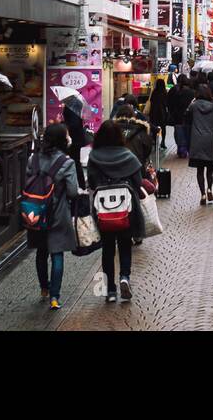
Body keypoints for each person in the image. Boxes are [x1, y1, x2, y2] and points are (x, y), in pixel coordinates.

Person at [87, 120, 144, 303]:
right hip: (126, 210)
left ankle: (110, 290)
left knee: (108, 249)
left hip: (103, 212)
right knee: (125, 246)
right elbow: (138, 181)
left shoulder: (94, 156)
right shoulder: (128, 156)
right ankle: (124, 277)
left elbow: (92, 182)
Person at [25, 123, 79, 310]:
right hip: (58, 213)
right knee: (57, 254)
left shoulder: (34, 159)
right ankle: (55, 297)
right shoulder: (67, 162)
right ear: (63, 140)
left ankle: (44, 288)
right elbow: (72, 191)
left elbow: (27, 183)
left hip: (36, 213)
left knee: (41, 252)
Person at [185, 84, 213, 206]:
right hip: (210, 140)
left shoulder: (194, 106)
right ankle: (209, 189)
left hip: (197, 140)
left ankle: (202, 194)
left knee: (199, 170)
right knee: (209, 167)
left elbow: (186, 117)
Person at [113, 101, 154, 169]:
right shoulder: (142, 130)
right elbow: (147, 150)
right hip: (137, 168)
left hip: (115, 169)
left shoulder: (111, 130)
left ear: (118, 115)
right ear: (133, 116)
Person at [62, 95, 88, 188]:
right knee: (76, 162)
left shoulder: (70, 108)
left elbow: (73, 124)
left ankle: (78, 185)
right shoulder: (77, 106)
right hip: (78, 139)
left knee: (74, 163)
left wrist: (64, 125)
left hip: (74, 140)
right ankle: (80, 185)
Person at [167, 75, 195, 158]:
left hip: (177, 117)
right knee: (188, 133)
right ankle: (188, 149)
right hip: (189, 117)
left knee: (179, 133)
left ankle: (181, 150)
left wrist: (172, 112)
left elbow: (168, 103)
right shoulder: (191, 92)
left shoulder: (173, 90)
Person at [148, 77, 170, 153]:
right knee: (163, 128)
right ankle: (163, 142)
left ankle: (155, 141)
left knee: (154, 127)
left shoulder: (154, 92)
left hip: (154, 112)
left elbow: (151, 101)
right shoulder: (164, 92)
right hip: (162, 112)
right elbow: (167, 103)